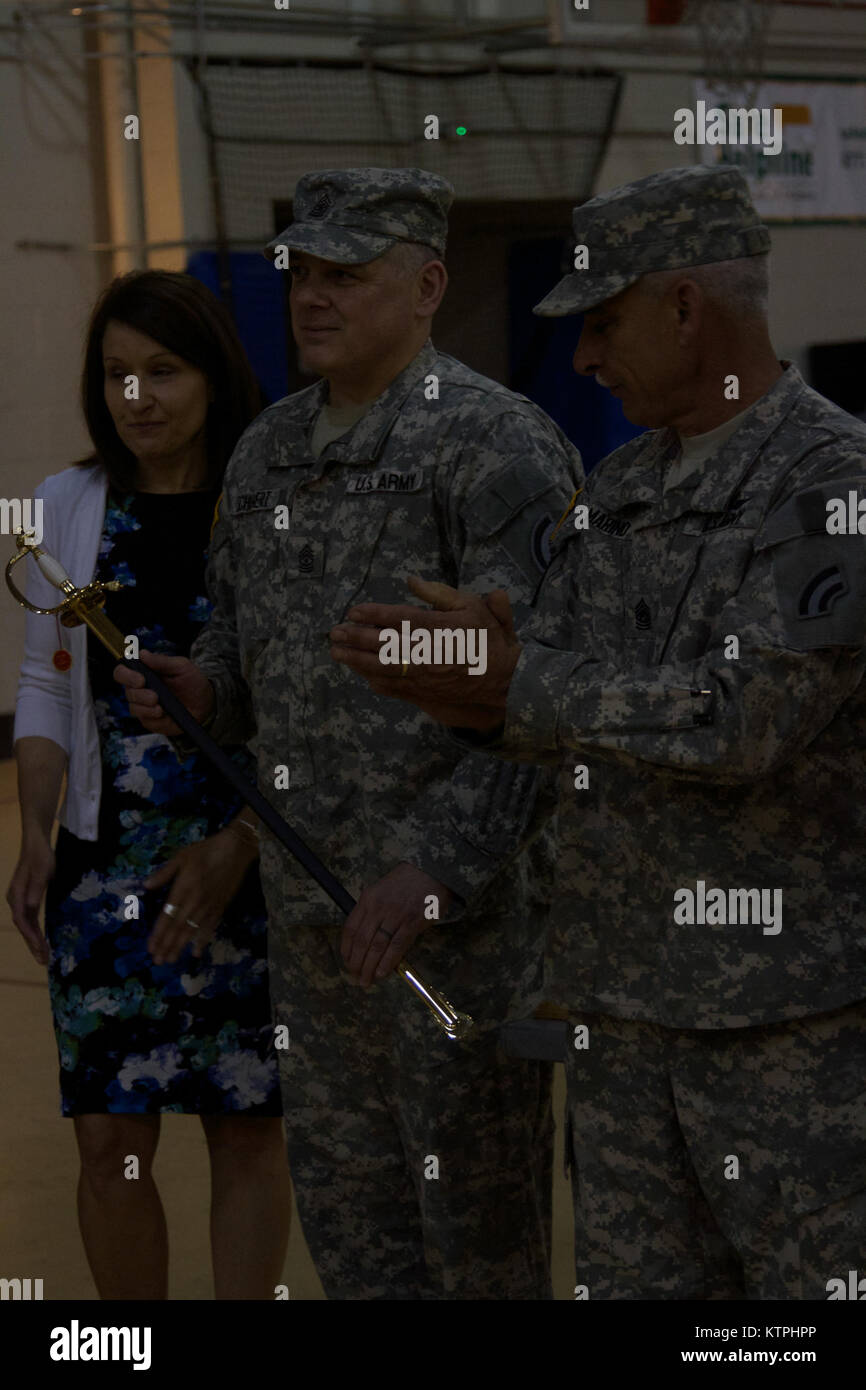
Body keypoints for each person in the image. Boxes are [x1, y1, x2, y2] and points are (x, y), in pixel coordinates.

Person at [330, 165, 866, 1300]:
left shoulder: (830, 484)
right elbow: (547, 698)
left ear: (684, 307)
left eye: (602, 324)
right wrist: (463, 678)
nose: (581, 359)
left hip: (779, 1029)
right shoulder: (619, 488)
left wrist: (521, 679)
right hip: (618, 1017)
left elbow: (743, 721)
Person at [116, 167, 584, 1300]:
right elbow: (240, 646)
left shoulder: (493, 447)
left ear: (425, 285)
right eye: (302, 275)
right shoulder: (267, 450)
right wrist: (205, 688)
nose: (312, 298)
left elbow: (549, 699)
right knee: (353, 1237)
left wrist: (436, 868)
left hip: (449, 932)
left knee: (476, 1249)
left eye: (346, 276)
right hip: (313, 929)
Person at [7, 270, 291, 1300]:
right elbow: (44, 685)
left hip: (241, 857)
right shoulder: (66, 503)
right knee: (107, 1139)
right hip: (102, 863)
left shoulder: (266, 503)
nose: (139, 397)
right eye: (117, 374)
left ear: (214, 374)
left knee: (246, 1127)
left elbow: (304, 709)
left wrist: (241, 844)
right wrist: (39, 832)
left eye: (163, 370)